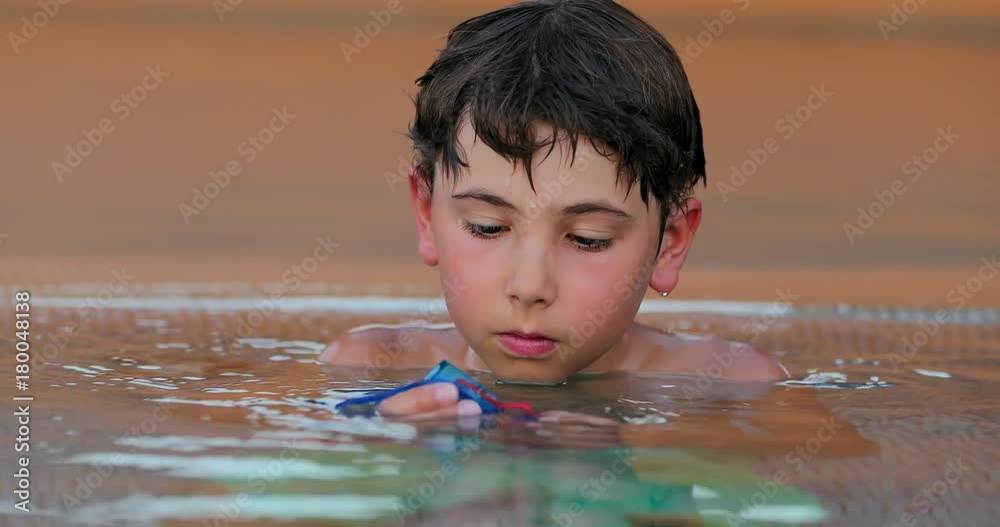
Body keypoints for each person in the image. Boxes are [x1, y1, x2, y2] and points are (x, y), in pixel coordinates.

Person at [321, 0, 789, 421]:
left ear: (669, 245)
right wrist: (395, 448)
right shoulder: (366, 368)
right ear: (426, 215)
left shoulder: (732, 388)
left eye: (588, 238)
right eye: (486, 228)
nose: (530, 288)